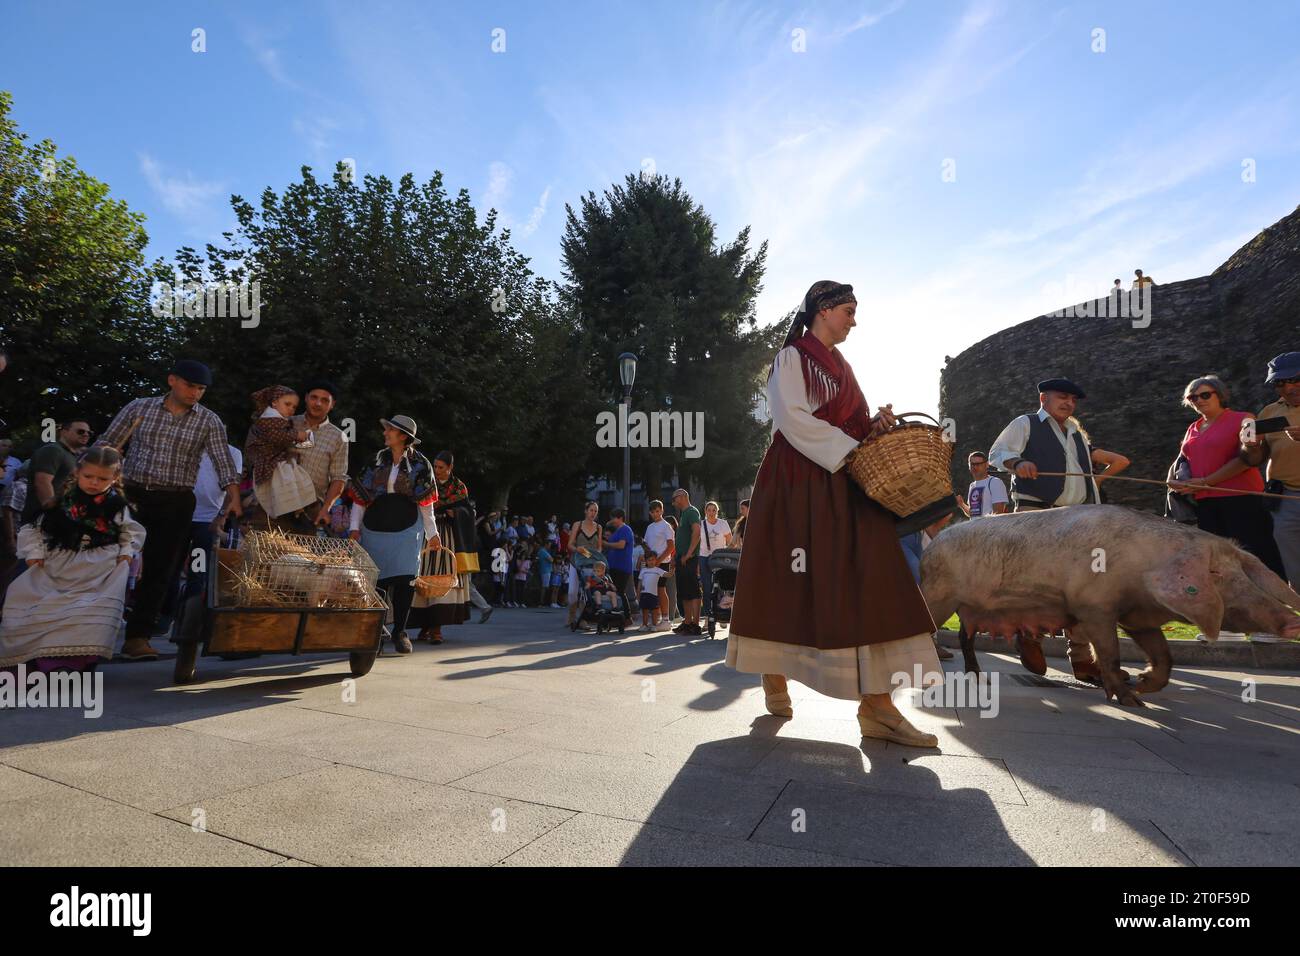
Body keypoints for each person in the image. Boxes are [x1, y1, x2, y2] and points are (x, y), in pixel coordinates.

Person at [726, 279, 941, 747]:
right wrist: (848, 448)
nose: (853, 320)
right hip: (798, 482)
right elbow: (792, 417)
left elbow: (854, 423)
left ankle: (879, 707)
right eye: (847, 310)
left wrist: (873, 426)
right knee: (791, 578)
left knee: (876, 577)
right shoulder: (792, 358)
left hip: (847, 477)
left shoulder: (843, 365)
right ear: (822, 310)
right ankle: (774, 668)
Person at [988, 378, 1131, 682]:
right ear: (1044, 398)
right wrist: (1018, 462)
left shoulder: (1077, 435)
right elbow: (998, 452)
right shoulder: (1025, 423)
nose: (1068, 403)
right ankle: (1030, 637)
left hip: (1077, 518)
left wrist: (1095, 487)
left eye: (1072, 400)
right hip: (1036, 512)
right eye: (1062, 397)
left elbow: (1090, 469)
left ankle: (1081, 659)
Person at [98, 360, 242, 661]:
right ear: (172, 380)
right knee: (108, 560)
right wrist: (92, 482)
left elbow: (223, 462)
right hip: (131, 495)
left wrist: (232, 494)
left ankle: (137, 638)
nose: (196, 394)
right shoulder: (139, 407)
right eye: (191, 386)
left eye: (201, 389)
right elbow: (109, 445)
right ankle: (92, 635)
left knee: (161, 569)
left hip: (176, 500)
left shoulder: (208, 421)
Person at [0, 446, 145, 670]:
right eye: (88, 476)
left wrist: (126, 552)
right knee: (35, 602)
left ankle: (78, 663)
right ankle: (39, 659)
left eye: (102, 478)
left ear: (115, 479)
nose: (94, 483)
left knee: (84, 614)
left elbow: (130, 531)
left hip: (98, 570)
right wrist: (35, 552)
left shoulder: (116, 506)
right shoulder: (60, 503)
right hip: (58, 565)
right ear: (77, 473)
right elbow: (35, 529)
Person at [348, 415, 440, 654]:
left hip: (408, 525)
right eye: (387, 429)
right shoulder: (376, 461)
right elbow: (360, 498)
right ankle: (376, 633)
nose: (385, 432)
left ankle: (400, 631)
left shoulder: (421, 464)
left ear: (403, 436)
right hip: (375, 523)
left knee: (405, 579)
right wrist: (354, 528)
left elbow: (426, 504)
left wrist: (433, 534)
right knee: (376, 581)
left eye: (390, 430)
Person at [1239, 351, 1300, 595]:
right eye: (1280, 382)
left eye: (1295, 379)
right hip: (1285, 499)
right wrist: (1249, 445)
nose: (1289, 387)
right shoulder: (1269, 412)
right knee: (1294, 568)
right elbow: (1254, 460)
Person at [411, 451, 478, 642]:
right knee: (422, 577)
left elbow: (468, 511)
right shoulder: (426, 483)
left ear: (450, 468)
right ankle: (424, 625)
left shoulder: (459, 487)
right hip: (426, 534)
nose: (437, 470)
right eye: (436, 466)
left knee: (442, 578)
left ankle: (436, 628)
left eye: (441, 467)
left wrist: (456, 512)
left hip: (447, 537)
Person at [244, 385, 318, 528]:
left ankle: (298, 506)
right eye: (287, 404)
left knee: (294, 474)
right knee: (284, 479)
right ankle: (293, 506)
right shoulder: (269, 419)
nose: (291, 409)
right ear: (274, 403)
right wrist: (298, 435)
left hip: (275, 457)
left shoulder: (277, 419)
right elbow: (278, 436)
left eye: (294, 407)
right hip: (268, 459)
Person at [292, 380, 350, 535]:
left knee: (299, 558)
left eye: (325, 400)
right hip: (276, 500)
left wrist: (325, 510)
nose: (318, 403)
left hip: (310, 509)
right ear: (306, 398)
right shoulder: (288, 423)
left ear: (332, 405)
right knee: (264, 553)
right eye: (314, 397)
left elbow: (339, 478)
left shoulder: (339, 437)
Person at [21, 419, 92, 525]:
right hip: (41, 522)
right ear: (63, 431)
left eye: (89, 433)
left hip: (59, 521)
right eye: (80, 431)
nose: (86, 434)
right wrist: (51, 512)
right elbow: (42, 482)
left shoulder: (72, 456)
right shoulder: (53, 450)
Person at [565, 500, 602, 628]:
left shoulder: (599, 527)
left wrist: (596, 558)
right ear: (586, 511)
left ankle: (582, 619)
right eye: (591, 510)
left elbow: (599, 548)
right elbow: (570, 544)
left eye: (595, 511)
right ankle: (571, 616)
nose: (593, 513)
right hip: (576, 562)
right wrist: (578, 550)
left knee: (586, 592)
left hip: (591, 564)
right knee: (572, 592)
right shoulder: (577, 525)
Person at [671, 490, 703, 635]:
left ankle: (695, 624)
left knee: (693, 591)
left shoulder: (691, 511)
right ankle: (687, 622)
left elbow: (696, 532)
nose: (673, 501)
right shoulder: (684, 513)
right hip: (681, 558)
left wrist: (688, 554)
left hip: (689, 558)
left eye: (674, 498)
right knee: (684, 592)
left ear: (683, 497)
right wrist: (676, 556)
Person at [697, 500, 732, 620]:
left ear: (717, 511)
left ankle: (722, 612)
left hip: (720, 557)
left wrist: (728, 556)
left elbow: (730, 541)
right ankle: (707, 615)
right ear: (705, 512)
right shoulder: (701, 524)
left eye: (714, 510)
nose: (711, 512)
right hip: (704, 556)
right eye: (709, 510)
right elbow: (697, 542)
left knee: (721, 585)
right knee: (706, 587)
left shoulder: (723, 523)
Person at [643, 500, 674, 625]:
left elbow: (671, 546)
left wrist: (658, 561)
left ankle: (666, 619)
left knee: (661, 589)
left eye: (658, 511)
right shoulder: (650, 527)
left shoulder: (666, 526)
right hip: (651, 563)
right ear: (650, 513)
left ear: (662, 511)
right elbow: (646, 544)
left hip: (662, 562)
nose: (656, 514)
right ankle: (656, 618)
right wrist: (648, 557)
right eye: (653, 512)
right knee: (651, 590)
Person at [957, 451, 1009, 518]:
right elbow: (973, 514)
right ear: (969, 466)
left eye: (978, 464)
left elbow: (998, 514)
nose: (975, 467)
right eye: (972, 464)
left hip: (990, 528)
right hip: (975, 527)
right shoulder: (972, 486)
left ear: (987, 465)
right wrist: (962, 504)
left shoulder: (995, 482)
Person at [604, 508, 636, 610]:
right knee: (616, 592)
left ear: (620, 518)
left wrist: (606, 544)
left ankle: (627, 616)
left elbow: (621, 545)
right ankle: (619, 614)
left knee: (620, 592)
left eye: (614, 518)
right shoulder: (617, 530)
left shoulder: (625, 529)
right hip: (614, 566)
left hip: (622, 566)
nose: (612, 520)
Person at [637, 549, 668, 630]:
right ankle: (644, 625)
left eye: (653, 559)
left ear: (656, 560)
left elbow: (667, 574)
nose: (651, 561)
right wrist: (638, 594)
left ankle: (654, 625)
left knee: (655, 610)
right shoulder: (643, 570)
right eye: (649, 560)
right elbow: (639, 583)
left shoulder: (658, 570)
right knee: (645, 610)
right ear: (646, 561)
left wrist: (672, 569)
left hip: (654, 594)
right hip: (644, 594)